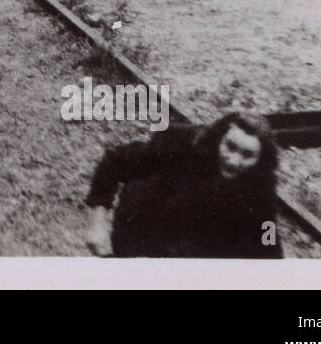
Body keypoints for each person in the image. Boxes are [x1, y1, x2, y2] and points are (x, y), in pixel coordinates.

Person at [85, 111, 282, 259]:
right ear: (219, 139)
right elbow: (116, 160)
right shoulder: (181, 145)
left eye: (247, 155)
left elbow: (267, 234)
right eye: (230, 147)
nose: (234, 160)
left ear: (260, 160)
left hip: (192, 247)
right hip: (142, 231)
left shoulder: (261, 184)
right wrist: (98, 223)